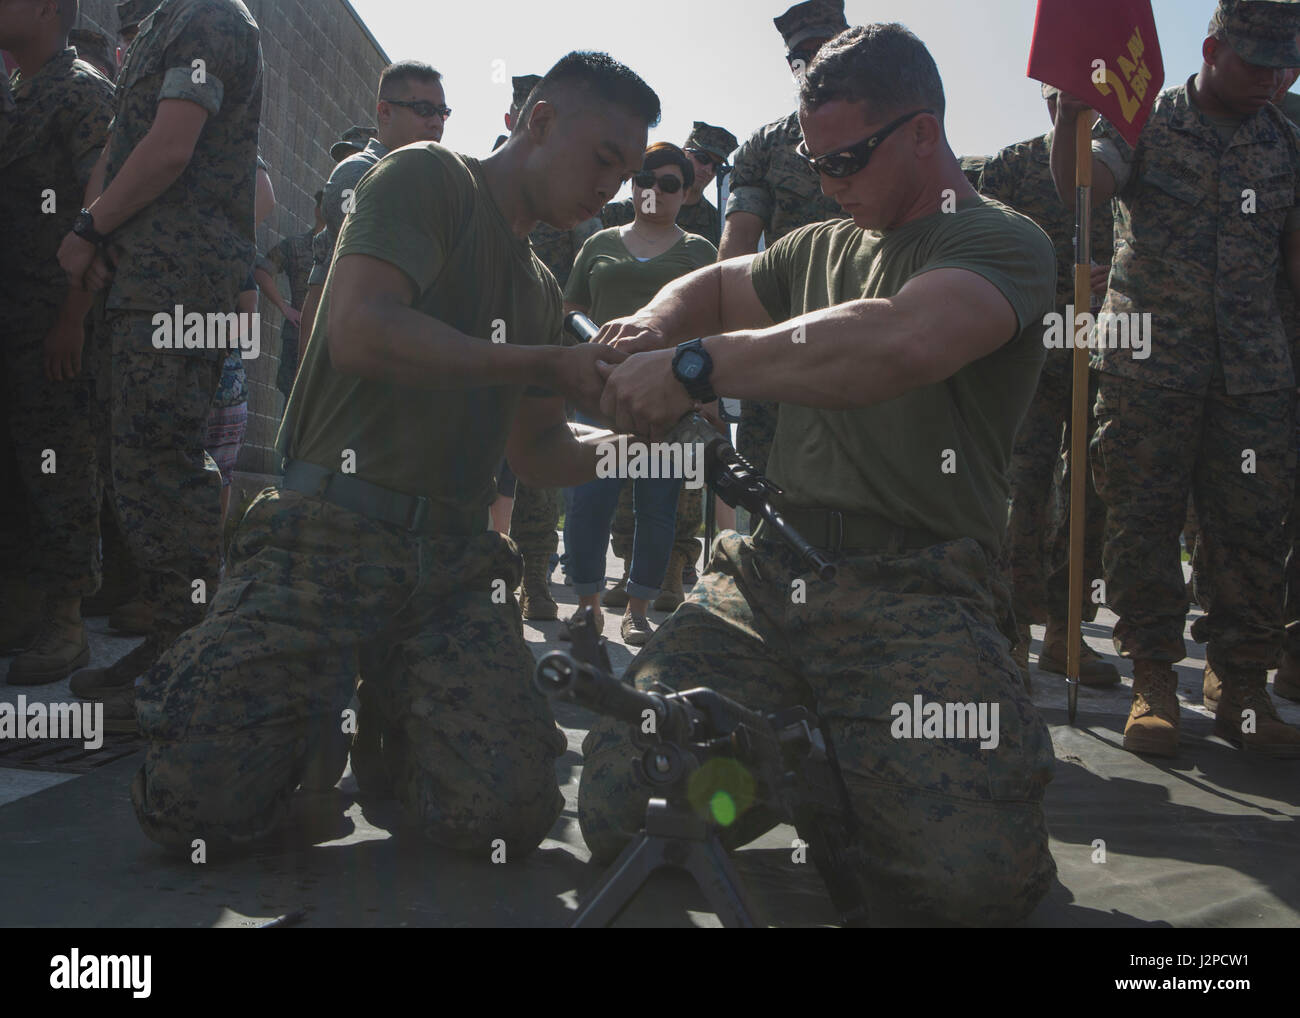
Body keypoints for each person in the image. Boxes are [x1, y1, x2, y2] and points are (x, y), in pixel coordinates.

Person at [578, 22, 1059, 926]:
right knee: (618, 800)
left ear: (924, 133)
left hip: (914, 588)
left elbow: (895, 341)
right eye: (817, 162)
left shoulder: (1001, 244)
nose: (829, 183)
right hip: (768, 582)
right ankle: (828, 759)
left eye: (847, 161)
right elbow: (719, 287)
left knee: (968, 886)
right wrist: (653, 321)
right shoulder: (823, 242)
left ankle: (846, 761)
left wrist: (692, 369)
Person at [125, 52, 657, 857]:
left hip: (447, 568)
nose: (609, 189)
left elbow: (540, 452)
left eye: (625, 175)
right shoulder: (428, 179)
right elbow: (364, 331)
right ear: (540, 121)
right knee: (186, 809)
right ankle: (312, 718)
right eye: (603, 160)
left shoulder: (539, 288)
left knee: (506, 814)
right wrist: (545, 363)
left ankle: (390, 730)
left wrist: (637, 441)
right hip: (323, 539)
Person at [1051, 0, 1300, 758]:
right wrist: (1070, 119)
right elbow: (1083, 186)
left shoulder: (1288, 139)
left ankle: (1241, 685)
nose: (1273, 78)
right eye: (1256, 61)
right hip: (1148, 363)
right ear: (1211, 47)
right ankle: (1154, 679)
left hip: (1255, 371)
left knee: (1251, 531)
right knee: (1142, 522)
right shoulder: (1146, 120)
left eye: (1286, 64)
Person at [56, 0, 263, 703]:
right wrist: (99, 232)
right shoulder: (160, 25)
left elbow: (171, 146)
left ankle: (197, 645)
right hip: (138, 276)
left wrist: (89, 227)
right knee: (136, 462)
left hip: (179, 284)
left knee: (163, 464)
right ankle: (180, 635)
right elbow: (121, 147)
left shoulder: (211, 19)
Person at [978, 83, 1118, 688]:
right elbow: (980, 250)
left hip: (1105, 349)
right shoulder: (1012, 166)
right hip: (1029, 352)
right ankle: (1008, 633)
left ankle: (1069, 631)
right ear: (1044, 96)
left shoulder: (1122, 168)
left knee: (1093, 489)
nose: (1072, 103)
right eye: (1060, 93)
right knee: (1022, 488)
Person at [0, 0, 115, 684]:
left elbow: (100, 213)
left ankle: (66, 618)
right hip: (12, 320)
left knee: (59, 466)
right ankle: (21, 606)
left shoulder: (82, 91)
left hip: (56, 324)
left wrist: (74, 316)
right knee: (16, 472)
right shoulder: (16, 95)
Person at [562, 143, 718, 645]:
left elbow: (715, 323)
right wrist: (589, 338)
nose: (654, 192)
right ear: (632, 184)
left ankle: (638, 609)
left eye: (670, 184)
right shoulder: (599, 242)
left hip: (665, 401)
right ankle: (586, 608)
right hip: (599, 396)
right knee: (588, 502)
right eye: (645, 180)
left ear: (687, 192)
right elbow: (569, 305)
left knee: (657, 507)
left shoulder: (699, 252)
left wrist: (704, 395)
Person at [723, 0, 849, 482]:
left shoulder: (893, 133)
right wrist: (728, 345)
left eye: (827, 50)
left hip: (867, 330)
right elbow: (737, 252)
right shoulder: (764, 147)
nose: (815, 63)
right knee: (768, 484)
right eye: (803, 55)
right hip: (780, 337)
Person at [300, 65, 449, 344]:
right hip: (353, 358)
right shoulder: (358, 175)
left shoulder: (426, 184)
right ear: (385, 112)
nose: (436, 122)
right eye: (423, 109)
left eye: (443, 112)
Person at [255, 189, 321, 401]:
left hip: (328, 340)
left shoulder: (344, 250)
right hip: (297, 335)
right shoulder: (297, 245)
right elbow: (262, 271)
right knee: (292, 399)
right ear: (318, 209)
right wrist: (285, 307)